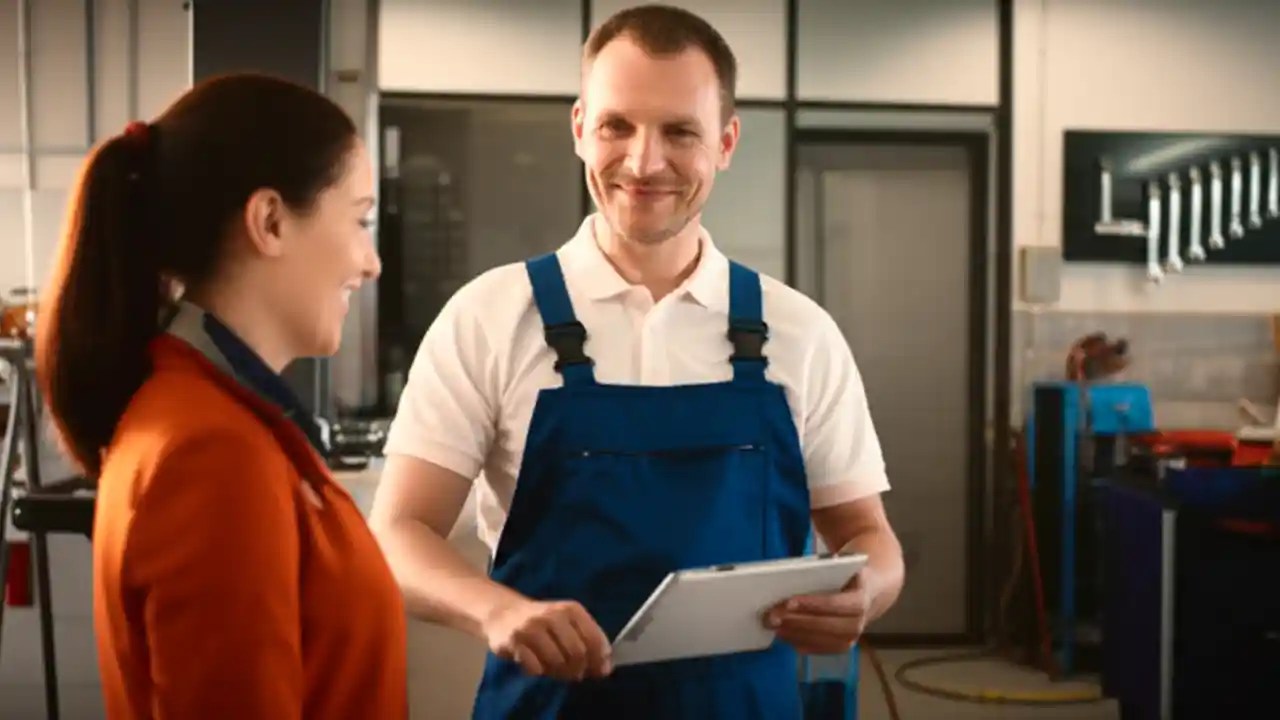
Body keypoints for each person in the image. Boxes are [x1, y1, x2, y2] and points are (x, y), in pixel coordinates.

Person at [370, 5, 905, 718]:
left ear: (726, 142)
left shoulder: (799, 332)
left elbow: (869, 536)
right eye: (617, 125)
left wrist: (865, 592)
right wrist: (494, 612)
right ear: (579, 128)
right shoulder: (490, 318)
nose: (643, 162)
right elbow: (399, 533)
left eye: (679, 131)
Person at [34, 73, 405, 719]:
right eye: (359, 220)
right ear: (270, 221)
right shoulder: (209, 454)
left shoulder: (210, 417)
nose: (371, 262)